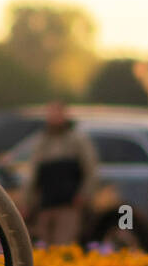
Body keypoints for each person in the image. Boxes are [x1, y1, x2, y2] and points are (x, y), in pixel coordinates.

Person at [19, 102, 99, 247]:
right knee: (43, 248)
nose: (54, 118)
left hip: (68, 206)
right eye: (51, 114)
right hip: (46, 205)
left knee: (64, 246)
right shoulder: (41, 142)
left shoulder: (77, 140)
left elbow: (91, 170)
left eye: (57, 114)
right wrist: (26, 203)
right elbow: (32, 175)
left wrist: (84, 195)